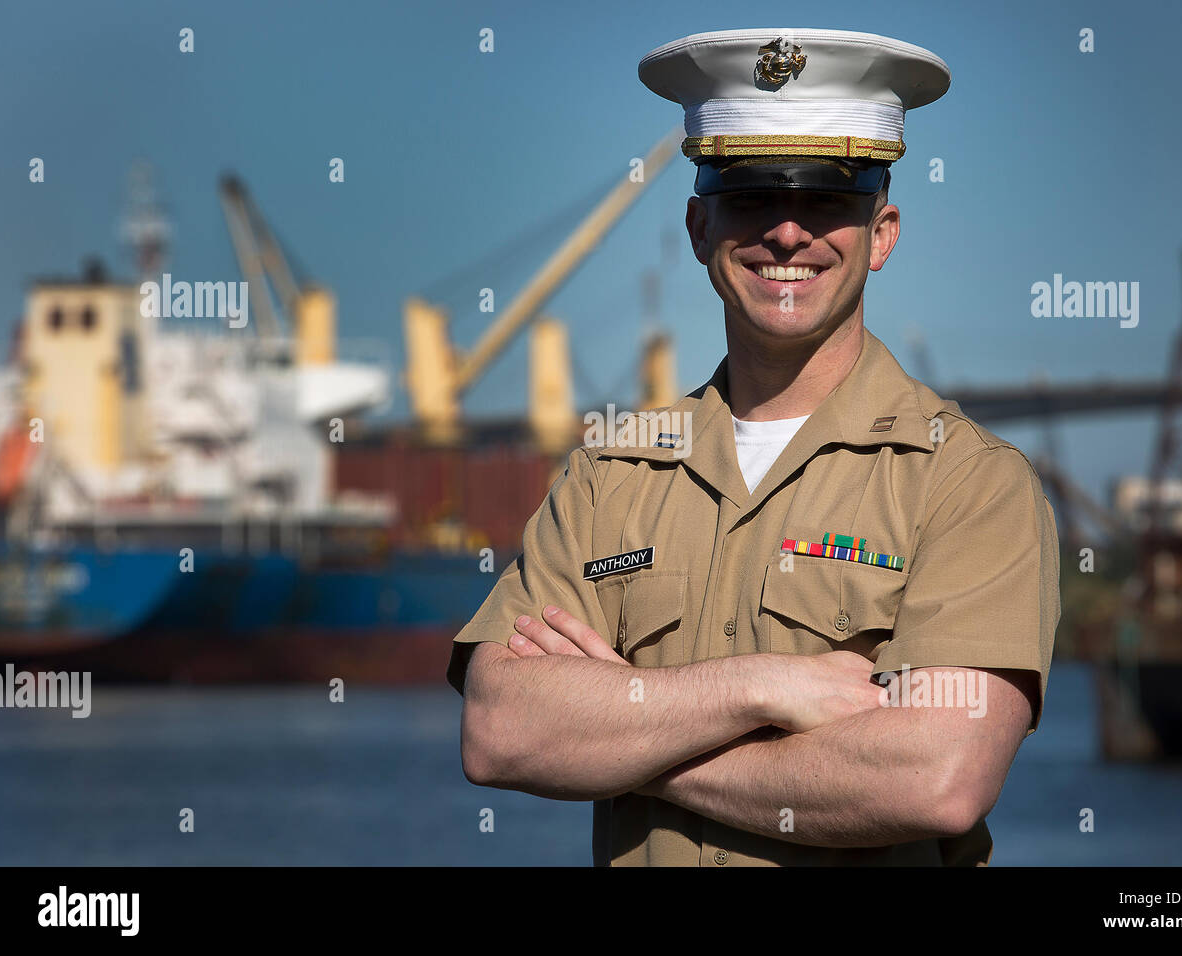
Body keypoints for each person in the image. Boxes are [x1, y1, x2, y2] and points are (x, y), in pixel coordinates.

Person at [447, 28, 1061, 866]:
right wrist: (765, 686)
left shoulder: (968, 484)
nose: (786, 233)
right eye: (749, 199)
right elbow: (500, 729)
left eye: (824, 202)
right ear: (700, 227)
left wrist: (627, 744)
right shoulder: (608, 475)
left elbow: (937, 779)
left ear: (881, 234)